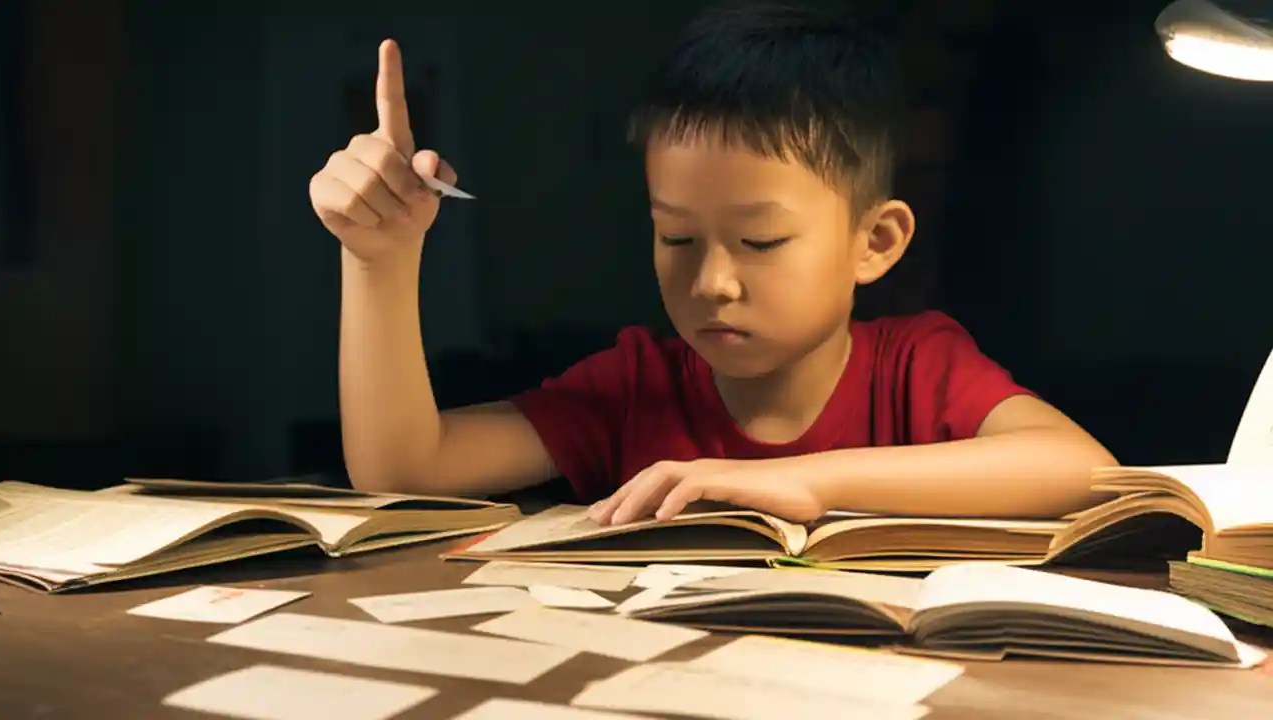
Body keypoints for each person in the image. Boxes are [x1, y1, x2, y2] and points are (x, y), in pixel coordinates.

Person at [308, 1, 1117, 527]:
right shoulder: (635, 387)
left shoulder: (915, 366)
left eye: (760, 242)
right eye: (677, 238)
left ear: (876, 242)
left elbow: (1084, 470)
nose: (711, 283)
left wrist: (815, 481)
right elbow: (404, 467)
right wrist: (379, 261)